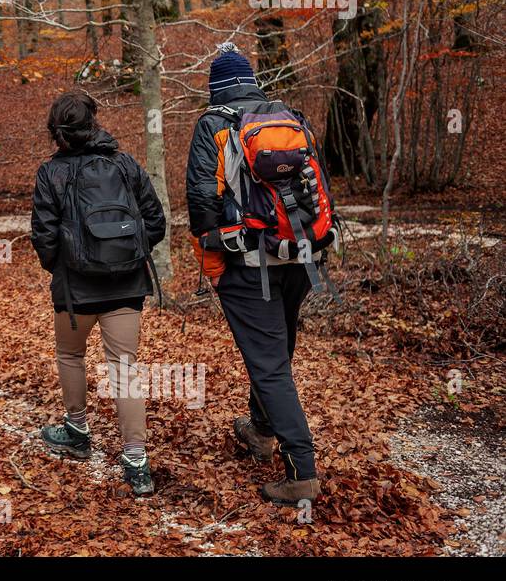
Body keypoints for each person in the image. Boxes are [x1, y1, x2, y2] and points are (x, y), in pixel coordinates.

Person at [185, 42, 322, 506]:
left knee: (269, 363)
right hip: (301, 257)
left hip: (247, 264)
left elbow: (202, 207)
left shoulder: (214, 126)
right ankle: (261, 430)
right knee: (277, 348)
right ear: (252, 80)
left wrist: (216, 266)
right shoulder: (290, 118)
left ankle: (302, 471)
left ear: (216, 86)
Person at [29, 89, 167, 497]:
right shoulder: (124, 164)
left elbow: (44, 236)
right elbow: (155, 220)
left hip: (75, 291)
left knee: (71, 354)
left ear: (57, 131)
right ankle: (137, 462)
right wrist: (129, 255)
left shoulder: (49, 172)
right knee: (125, 369)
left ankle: (76, 430)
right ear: (94, 122)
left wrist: (61, 266)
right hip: (126, 287)